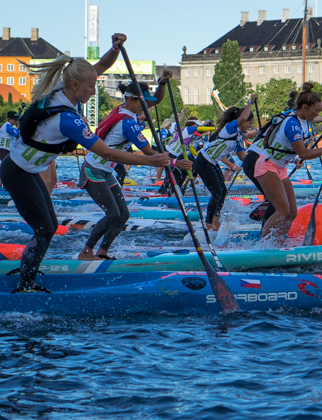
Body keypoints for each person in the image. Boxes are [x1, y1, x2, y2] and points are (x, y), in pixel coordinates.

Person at [1, 33, 170, 293]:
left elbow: (100, 66)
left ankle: (28, 275)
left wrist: (115, 49)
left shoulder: (63, 87)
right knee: (45, 229)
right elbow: (109, 154)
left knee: (50, 226)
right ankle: (24, 286)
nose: (94, 92)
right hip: (17, 172)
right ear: (76, 85)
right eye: (91, 87)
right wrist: (151, 160)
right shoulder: (69, 119)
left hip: (28, 169)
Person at [78, 78, 190, 260]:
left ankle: (103, 252)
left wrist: (161, 84)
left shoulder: (123, 110)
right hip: (92, 169)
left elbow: (156, 100)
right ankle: (86, 251)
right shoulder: (127, 123)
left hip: (106, 172)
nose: (147, 106)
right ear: (131, 100)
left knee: (123, 215)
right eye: (143, 103)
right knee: (113, 214)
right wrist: (176, 163)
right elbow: (148, 153)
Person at [242, 83, 322, 226]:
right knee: (279, 207)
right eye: (316, 110)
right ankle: (265, 241)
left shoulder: (302, 118)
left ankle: (277, 239)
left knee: (288, 210)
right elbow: (303, 152)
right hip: (258, 158)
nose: (318, 113)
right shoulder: (292, 120)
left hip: (276, 161)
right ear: (304, 106)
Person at [192, 94, 257, 231]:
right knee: (216, 192)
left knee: (223, 190)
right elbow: (243, 118)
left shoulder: (238, 136)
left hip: (212, 162)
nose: (250, 126)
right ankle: (208, 224)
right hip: (203, 161)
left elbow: (242, 156)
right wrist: (251, 101)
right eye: (249, 123)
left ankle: (216, 220)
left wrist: (257, 163)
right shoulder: (229, 128)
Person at [0, 111, 20, 186]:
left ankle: (4, 187)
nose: (16, 121)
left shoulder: (7, 125)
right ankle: (5, 188)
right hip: (4, 149)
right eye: (14, 120)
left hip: (5, 149)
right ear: (9, 119)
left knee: (5, 168)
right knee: (6, 169)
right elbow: (17, 134)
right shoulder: (8, 126)